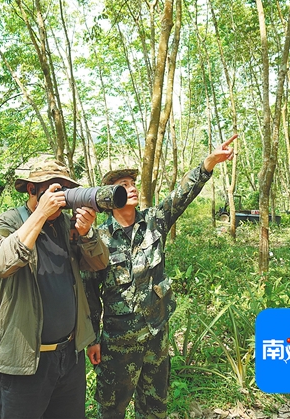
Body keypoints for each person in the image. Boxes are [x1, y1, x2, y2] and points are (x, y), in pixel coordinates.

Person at [84, 135, 238, 419]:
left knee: (155, 407)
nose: (131, 189)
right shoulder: (99, 238)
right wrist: (93, 338)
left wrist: (208, 164)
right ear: (108, 198)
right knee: (112, 409)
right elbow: (90, 292)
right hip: (119, 341)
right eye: (123, 186)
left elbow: (182, 196)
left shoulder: (154, 220)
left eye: (132, 184)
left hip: (156, 334)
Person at [0, 159, 109, 419]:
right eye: (55, 189)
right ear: (32, 189)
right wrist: (40, 215)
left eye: (65, 190)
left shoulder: (67, 225)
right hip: (25, 361)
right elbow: (0, 263)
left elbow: (99, 263)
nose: (61, 197)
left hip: (69, 357)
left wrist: (86, 233)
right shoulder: (8, 221)